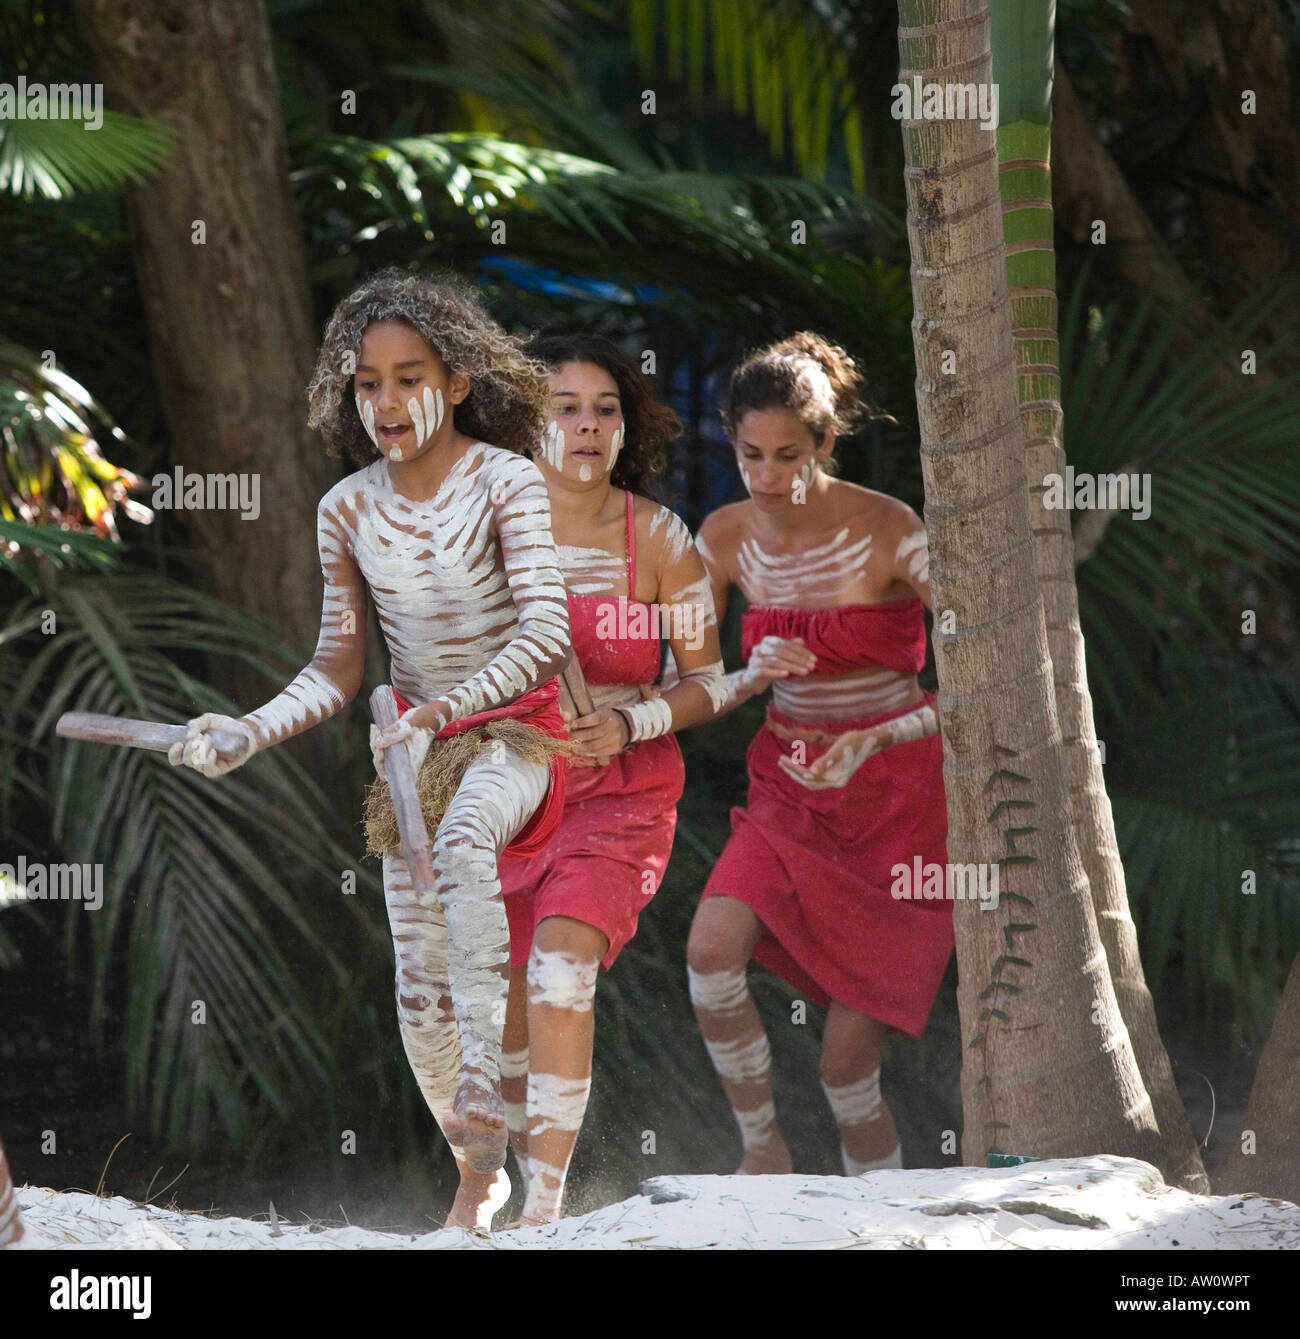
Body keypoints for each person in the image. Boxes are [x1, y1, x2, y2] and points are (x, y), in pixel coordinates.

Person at [167, 268, 571, 1230]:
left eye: (408, 376)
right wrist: (245, 730)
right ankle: (477, 1167)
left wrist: (449, 708)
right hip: (413, 755)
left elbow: (548, 631)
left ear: (458, 380)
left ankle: (486, 1079)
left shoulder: (507, 480)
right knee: (416, 994)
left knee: (469, 836)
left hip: (514, 733)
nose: (386, 401)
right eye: (367, 383)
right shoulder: (345, 508)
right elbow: (336, 667)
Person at [686, 332, 947, 1177]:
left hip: (900, 798)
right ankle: (762, 1152)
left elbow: (993, 672)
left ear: (827, 441)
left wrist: (878, 735)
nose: (767, 475)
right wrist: (749, 675)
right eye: (749, 453)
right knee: (709, 951)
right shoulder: (721, 538)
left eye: (788, 454)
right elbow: (683, 681)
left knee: (845, 1069)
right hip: (790, 789)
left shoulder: (890, 529)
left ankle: (883, 1220)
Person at [498, 334, 725, 1224]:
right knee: (504, 1010)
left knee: (561, 968)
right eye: (565, 407)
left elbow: (711, 679)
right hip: (509, 790)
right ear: (528, 421)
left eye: (605, 410)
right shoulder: (488, 530)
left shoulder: (663, 538)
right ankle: (511, 1181)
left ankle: (543, 1211)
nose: (588, 427)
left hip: (623, 797)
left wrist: (635, 718)